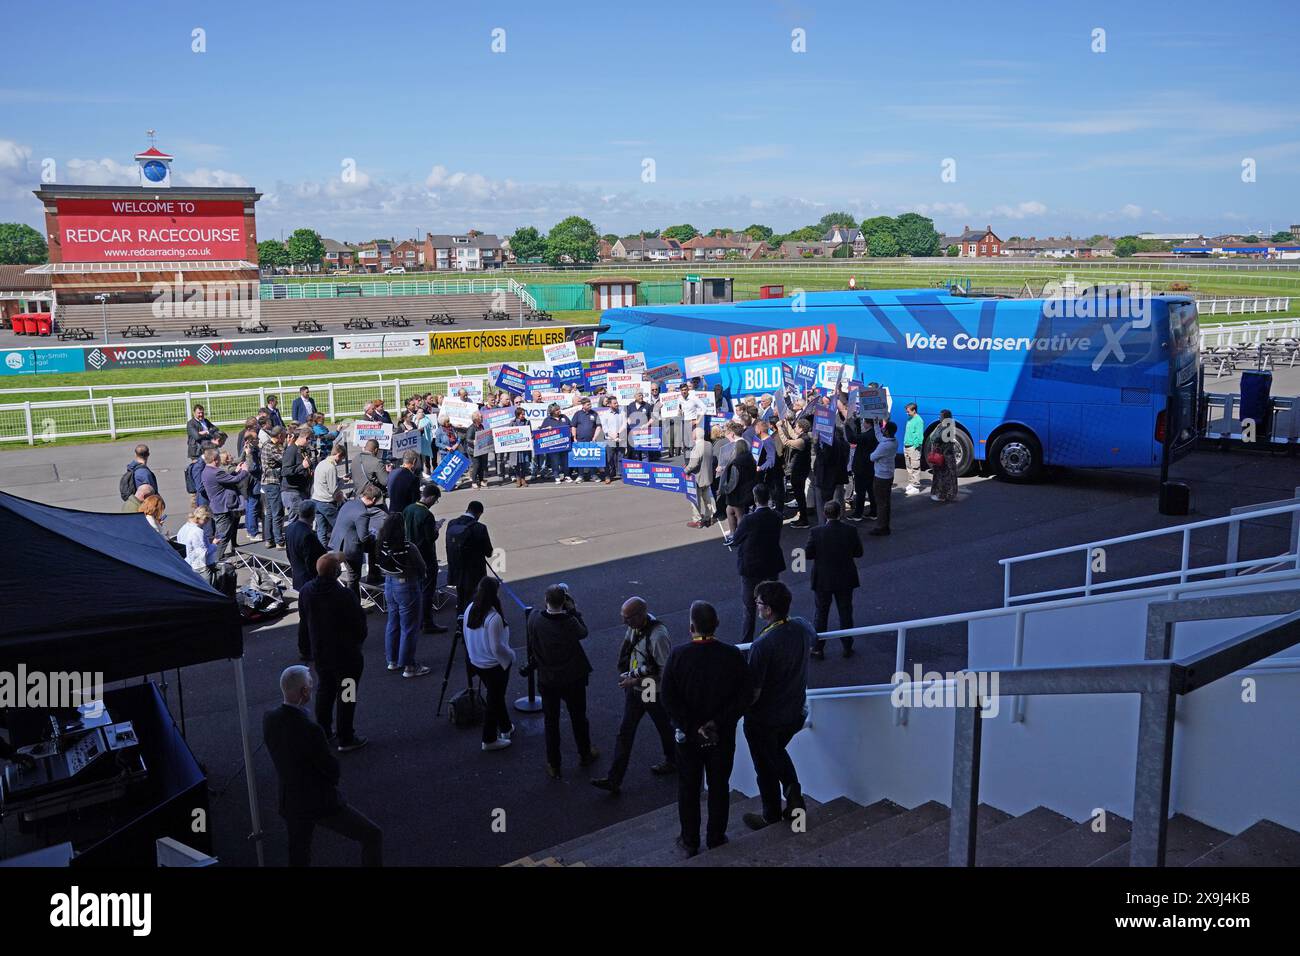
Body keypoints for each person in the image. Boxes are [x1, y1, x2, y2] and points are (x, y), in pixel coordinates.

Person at [262, 665, 382, 866]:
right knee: (372, 835)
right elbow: (331, 770)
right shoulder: (311, 730)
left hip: (291, 800)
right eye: (310, 684)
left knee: (299, 853)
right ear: (305, 692)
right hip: (319, 801)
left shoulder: (269, 719)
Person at [660, 600, 751, 856]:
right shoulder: (732, 654)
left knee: (688, 788)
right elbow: (744, 696)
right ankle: (716, 837)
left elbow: (668, 698)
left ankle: (690, 841)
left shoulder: (678, 655)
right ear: (717, 624)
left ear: (691, 626)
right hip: (721, 736)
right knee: (719, 785)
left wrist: (693, 726)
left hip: (688, 738)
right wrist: (717, 722)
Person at [742, 580, 814, 830]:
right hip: (794, 713)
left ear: (769, 610)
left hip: (765, 718)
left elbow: (754, 692)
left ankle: (771, 813)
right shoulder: (802, 627)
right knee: (774, 753)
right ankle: (792, 797)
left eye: (759, 602)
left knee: (764, 763)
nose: (756, 605)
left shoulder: (762, 645)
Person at [591, 597, 676, 796]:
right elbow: (628, 646)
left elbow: (664, 673)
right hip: (638, 687)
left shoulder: (658, 637)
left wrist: (633, 681)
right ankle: (614, 779)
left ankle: (674, 761)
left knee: (662, 726)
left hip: (649, 689)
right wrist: (625, 671)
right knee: (626, 732)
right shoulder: (637, 626)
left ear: (640, 615)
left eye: (627, 618)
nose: (624, 623)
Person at [298, 555, 369, 752]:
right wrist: (358, 644)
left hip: (321, 653)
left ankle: (324, 731)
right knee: (347, 695)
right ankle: (346, 736)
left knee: (325, 690)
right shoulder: (344, 595)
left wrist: (305, 649)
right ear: (336, 571)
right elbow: (359, 625)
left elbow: (304, 623)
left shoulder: (306, 591)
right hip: (347, 656)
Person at [526, 584, 598, 778]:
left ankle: (554, 764)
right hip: (573, 677)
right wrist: (574, 611)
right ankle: (585, 753)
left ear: (545, 600)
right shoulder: (569, 622)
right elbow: (583, 632)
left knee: (551, 721)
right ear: (564, 601)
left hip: (548, 679)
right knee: (578, 718)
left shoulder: (535, 619)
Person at [374, 511, 430, 678]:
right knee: (409, 627)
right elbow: (422, 567)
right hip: (406, 585)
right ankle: (409, 665)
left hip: (389, 584)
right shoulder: (407, 547)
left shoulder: (380, 544)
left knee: (393, 622)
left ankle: (392, 660)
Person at [806, 500, 864, 659]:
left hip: (823, 579)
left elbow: (808, 554)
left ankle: (818, 648)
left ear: (825, 514)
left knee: (821, 614)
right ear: (840, 513)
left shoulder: (816, 532)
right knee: (845, 612)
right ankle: (847, 646)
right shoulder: (850, 530)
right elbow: (858, 552)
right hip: (845, 577)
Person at [463, 576, 515, 752]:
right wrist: (511, 656)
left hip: (477, 661)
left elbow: (465, 634)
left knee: (495, 697)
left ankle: (506, 727)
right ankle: (489, 738)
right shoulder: (494, 618)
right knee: (495, 699)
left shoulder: (470, 608)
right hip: (494, 665)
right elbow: (497, 648)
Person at [733, 484, 787, 644]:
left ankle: (746, 645)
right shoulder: (777, 516)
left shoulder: (749, 519)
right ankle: (775, 638)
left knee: (750, 609)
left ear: (755, 499)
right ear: (768, 498)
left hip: (751, 568)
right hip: (771, 564)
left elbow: (736, 539)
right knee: (774, 605)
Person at [330, 483, 384, 599]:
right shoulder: (362, 513)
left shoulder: (349, 503)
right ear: (373, 499)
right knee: (353, 578)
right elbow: (363, 537)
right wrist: (374, 537)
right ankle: (354, 606)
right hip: (350, 549)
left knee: (347, 576)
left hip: (338, 543)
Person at [444, 500, 492, 613]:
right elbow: (488, 552)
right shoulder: (480, 528)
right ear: (479, 513)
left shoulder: (452, 523)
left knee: (461, 598)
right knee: (475, 599)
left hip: (456, 568)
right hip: (475, 571)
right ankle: (473, 624)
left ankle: (460, 625)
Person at [720, 421, 757, 547]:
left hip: (738, 492)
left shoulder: (737, 463)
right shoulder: (749, 457)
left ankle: (738, 536)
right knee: (730, 510)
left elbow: (733, 480)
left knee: (738, 513)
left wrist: (724, 489)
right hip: (745, 489)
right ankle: (733, 533)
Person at [779, 416, 813, 528]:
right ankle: (802, 517)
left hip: (799, 471)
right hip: (800, 469)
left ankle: (804, 520)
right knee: (799, 495)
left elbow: (786, 441)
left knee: (799, 495)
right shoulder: (804, 437)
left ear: (801, 429)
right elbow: (793, 434)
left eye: (796, 426)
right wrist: (786, 423)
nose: (795, 428)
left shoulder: (802, 441)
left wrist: (779, 427)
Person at [311, 443, 346, 548]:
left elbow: (325, 481)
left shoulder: (322, 463)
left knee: (321, 529)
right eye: (342, 458)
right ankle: (341, 549)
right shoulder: (330, 467)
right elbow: (333, 490)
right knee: (338, 526)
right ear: (339, 455)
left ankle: (321, 552)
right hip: (326, 503)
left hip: (316, 500)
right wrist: (341, 488)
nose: (342, 461)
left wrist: (340, 479)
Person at [846, 412, 879, 522]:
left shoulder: (867, 436)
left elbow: (852, 438)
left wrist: (847, 425)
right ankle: (874, 512)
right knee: (870, 490)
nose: (863, 423)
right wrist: (856, 422)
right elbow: (859, 436)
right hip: (870, 467)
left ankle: (857, 514)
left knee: (860, 491)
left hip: (862, 467)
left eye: (864, 422)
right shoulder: (875, 433)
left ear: (867, 423)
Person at [260, 425, 287, 549]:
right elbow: (284, 459)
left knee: (270, 512)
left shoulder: (266, 444)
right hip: (273, 482)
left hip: (266, 482)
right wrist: (288, 446)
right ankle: (278, 540)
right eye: (284, 435)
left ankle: (269, 539)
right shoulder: (272, 447)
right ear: (280, 435)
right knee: (278, 512)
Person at [870, 420, 899, 536]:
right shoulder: (894, 441)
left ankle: (881, 527)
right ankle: (885, 524)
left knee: (881, 502)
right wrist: (876, 424)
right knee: (886, 501)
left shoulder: (884, 446)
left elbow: (872, 457)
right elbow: (879, 437)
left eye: (884, 428)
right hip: (889, 475)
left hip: (881, 476)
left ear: (886, 431)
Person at [684, 425, 715, 528]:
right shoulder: (709, 444)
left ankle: (697, 520)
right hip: (707, 476)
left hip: (697, 478)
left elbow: (693, 463)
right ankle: (708, 517)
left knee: (695, 499)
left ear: (695, 436)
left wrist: (685, 470)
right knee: (707, 499)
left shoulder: (698, 447)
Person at [281, 427, 314, 523]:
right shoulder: (291, 450)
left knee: (304, 520)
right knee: (296, 521)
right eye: (310, 440)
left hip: (302, 490)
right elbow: (285, 471)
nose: (310, 443)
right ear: (306, 438)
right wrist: (302, 467)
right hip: (292, 492)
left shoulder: (302, 450)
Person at [927, 409, 959, 503]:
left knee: (942, 475)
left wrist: (937, 428)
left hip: (943, 455)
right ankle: (950, 494)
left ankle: (942, 495)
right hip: (948, 454)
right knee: (949, 474)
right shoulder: (950, 424)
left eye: (941, 416)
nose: (939, 418)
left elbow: (934, 437)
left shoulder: (944, 426)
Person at [570, 397, 602, 482]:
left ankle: (593, 475)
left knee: (592, 459)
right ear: (583, 405)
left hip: (591, 440)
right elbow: (573, 426)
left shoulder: (594, 413)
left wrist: (594, 438)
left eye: (590, 404)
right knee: (580, 459)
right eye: (588, 404)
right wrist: (574, 438)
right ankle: (580, 476)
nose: (590, 405)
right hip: (580, 440)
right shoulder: (578, 414)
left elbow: (598, 426)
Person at [387, 449, 422, 515]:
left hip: (392, 512)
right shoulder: (413, 478)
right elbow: (415, 501)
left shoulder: (392, 472)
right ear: (414, 462)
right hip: (405, 514)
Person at [903, 402, 925, 496]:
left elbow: (920, 435)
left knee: (915, 466)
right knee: (909, 466)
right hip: (907, 445)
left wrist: (915, 446)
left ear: (914, 410)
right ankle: (911, 483)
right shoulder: (910, 419)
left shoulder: (919, 420)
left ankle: (916, 486)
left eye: (908, 412)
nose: (907, 413)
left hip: (913, 447)